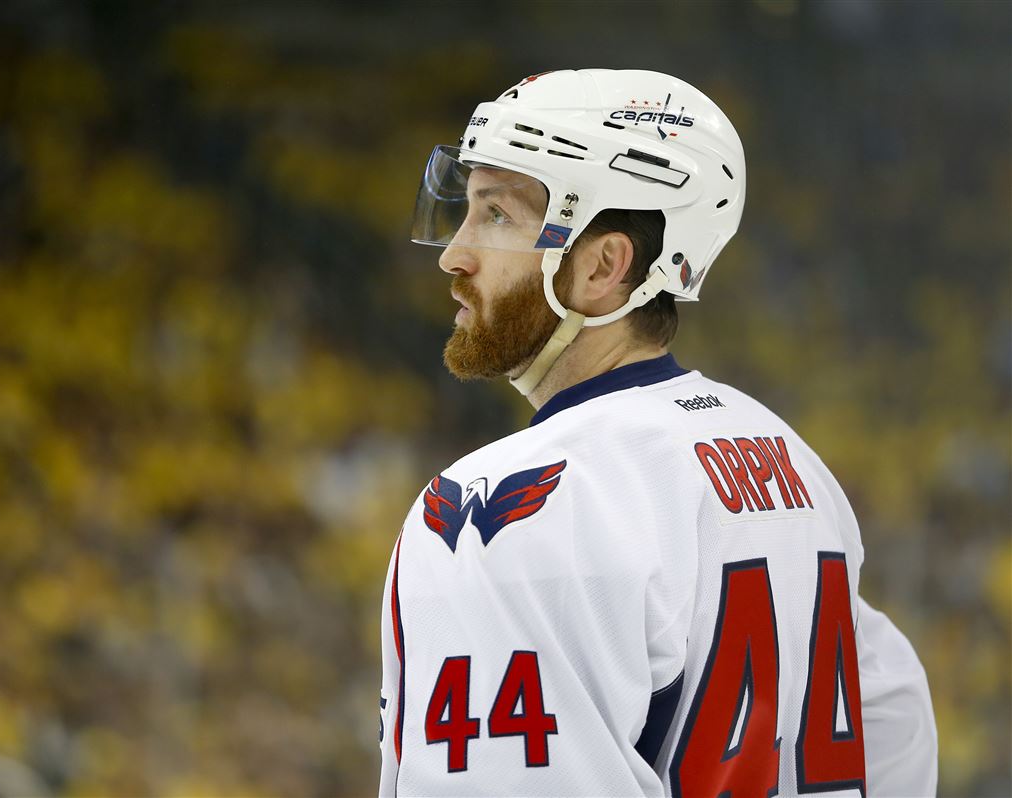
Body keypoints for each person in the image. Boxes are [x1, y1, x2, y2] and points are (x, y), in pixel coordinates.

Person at [378, 69, 937, 797]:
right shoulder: (792, 462)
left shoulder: (496, 509)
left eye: (497, 215)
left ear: (603, 266)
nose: (454, 254)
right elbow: (895, 715)